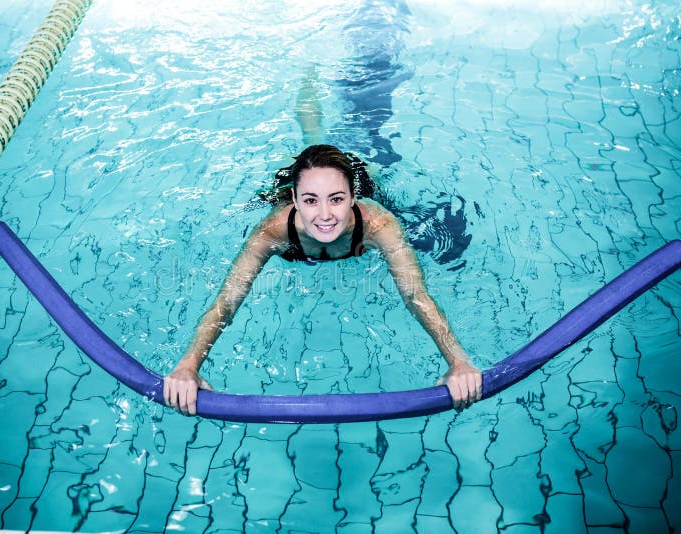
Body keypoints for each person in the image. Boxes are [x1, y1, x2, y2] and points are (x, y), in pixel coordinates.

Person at [163, 144, 482, 416]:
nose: (326, 215)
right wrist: (189, 365)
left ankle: (352, 165)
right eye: (311, 200)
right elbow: (227, 302)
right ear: (295, 199)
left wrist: (458, 362)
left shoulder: (379, 225)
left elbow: (416, 296)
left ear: (354, 197)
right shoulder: (273, 232)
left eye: (337, 199)